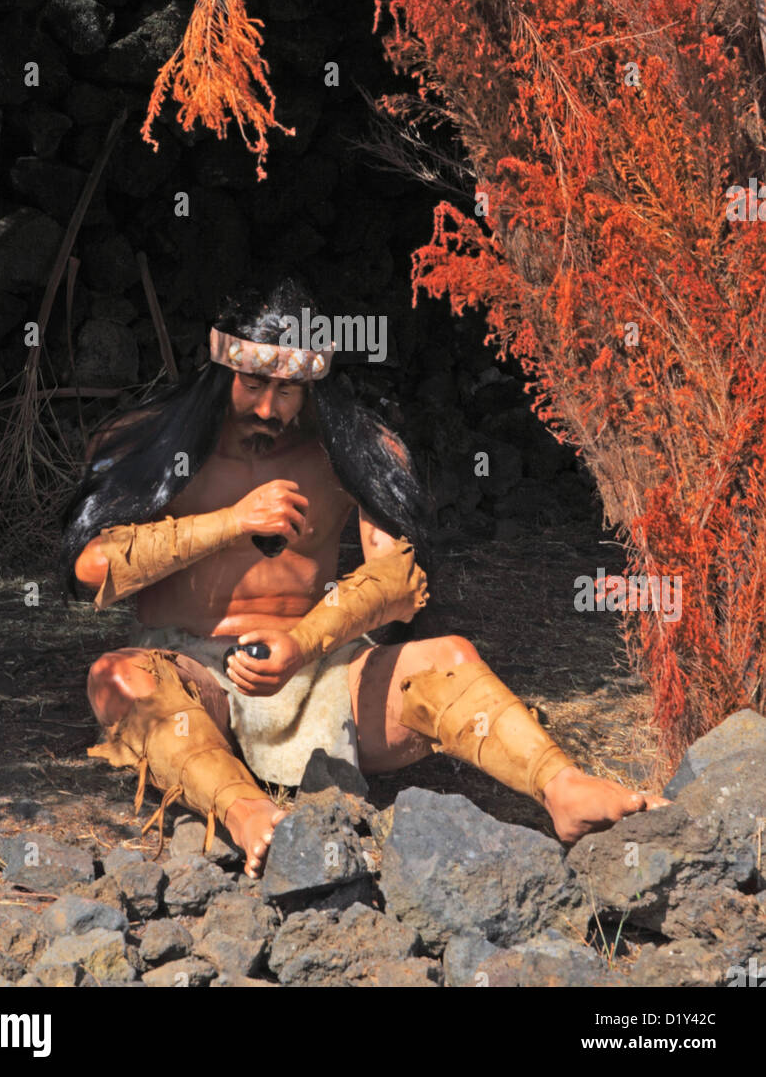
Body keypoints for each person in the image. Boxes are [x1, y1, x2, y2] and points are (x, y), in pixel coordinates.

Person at [61, 278, 666, 877]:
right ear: (221, 370)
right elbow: (93, 567)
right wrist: (230, 522)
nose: (271, 408)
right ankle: (247, 814)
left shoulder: (351, 450)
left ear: (314, 385)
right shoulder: (143, 442)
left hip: (319, 671)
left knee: (449, 657)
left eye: (291, 389)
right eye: (254, 384)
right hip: (188, 680)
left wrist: (302, 643)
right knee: (114, 675)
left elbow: (400, 578)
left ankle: (562, 788)